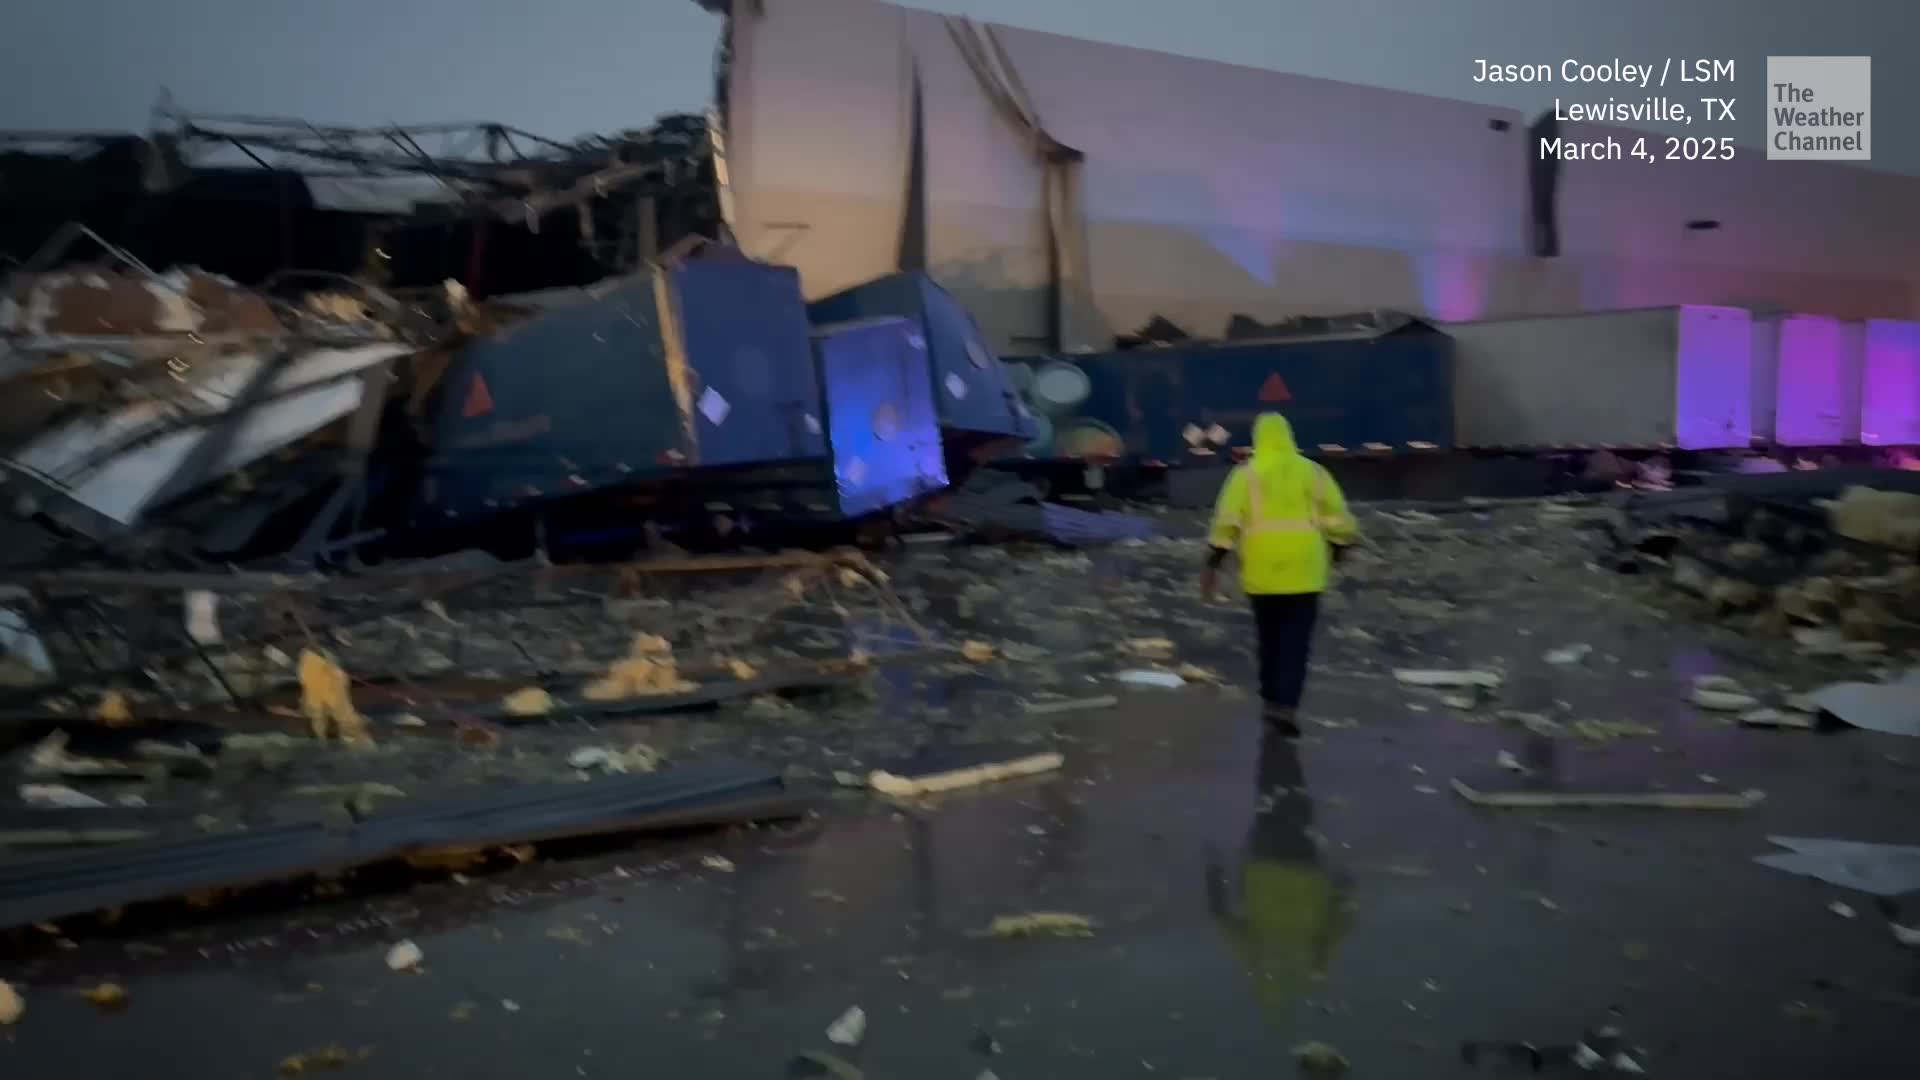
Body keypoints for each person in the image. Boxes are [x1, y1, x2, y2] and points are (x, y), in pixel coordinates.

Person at [1200, 412, 1357, 735]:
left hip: (1263, 572)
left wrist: (1212, 563)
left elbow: (1227, 522)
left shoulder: (1245, 476)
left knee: (1269, 638)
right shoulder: (1313, 472)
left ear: (1259, 439)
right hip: (1306, 571)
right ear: (1289, 435)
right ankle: (1286, 705)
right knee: (1295, 642)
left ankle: (1271, 697)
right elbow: (1336, 515)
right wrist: (1341, 546)